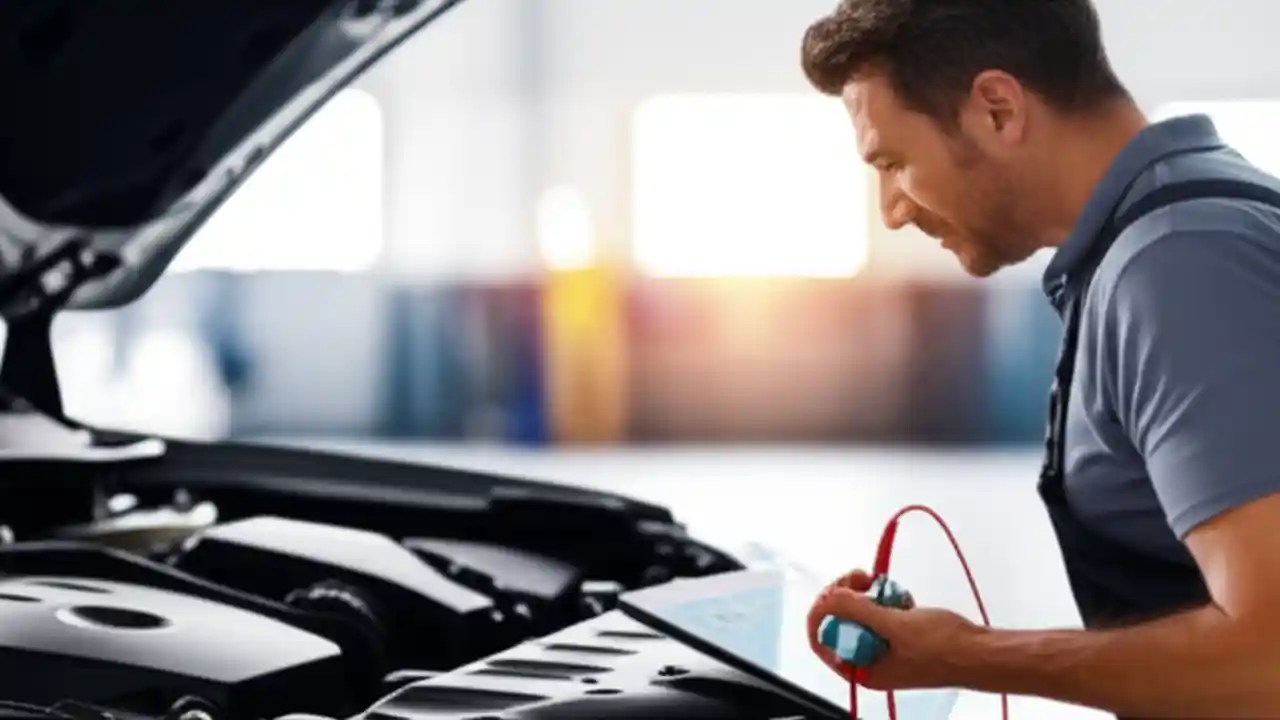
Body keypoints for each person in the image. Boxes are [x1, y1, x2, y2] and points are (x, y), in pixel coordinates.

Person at [800, 1, 1280, 717]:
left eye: (894, 162)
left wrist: (962, 655)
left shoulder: (1176, 267)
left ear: (997, 109)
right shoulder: (1190, 217)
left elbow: (1268, 659)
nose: (891, 210)